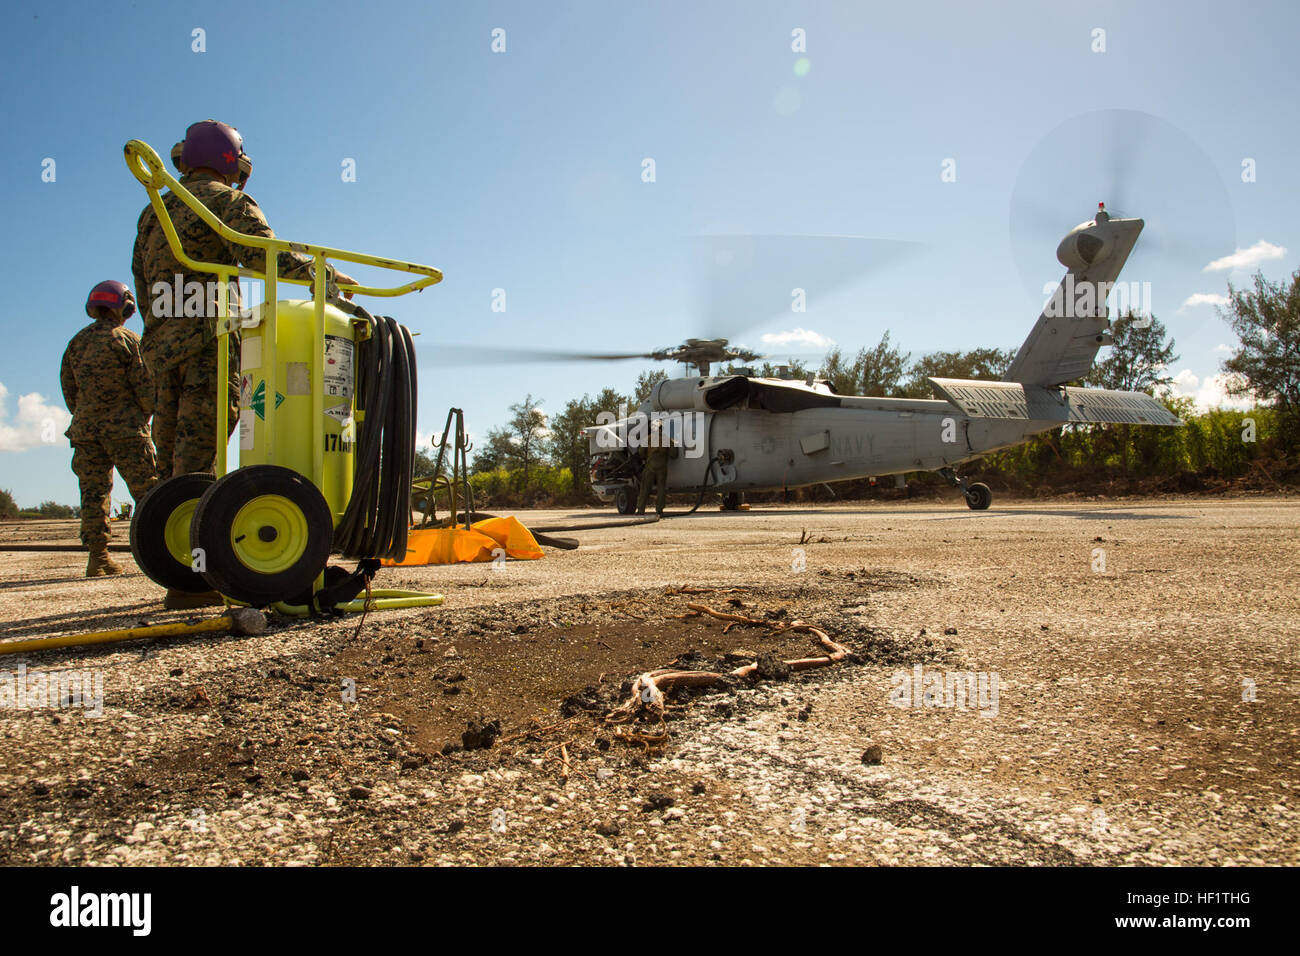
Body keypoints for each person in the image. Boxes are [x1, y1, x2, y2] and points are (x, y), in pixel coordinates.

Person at [132, 120, 356, 608]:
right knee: (203, 449)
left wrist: (162, 330)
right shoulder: (228, 202)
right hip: (208, 339)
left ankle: (178, 566)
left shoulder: (155, 211)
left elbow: (142, 277)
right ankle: (196, 583)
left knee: (173, 456)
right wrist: (330, 275)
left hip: (162, 343)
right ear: (233, 161)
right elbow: (264, 256)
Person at [60, 281, 159, 576]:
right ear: (124, 305)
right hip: (126, 429)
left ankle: (98, 558)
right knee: (149, 492)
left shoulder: (76, 343)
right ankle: (161, 554)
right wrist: (144, 413)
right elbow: (146, 387)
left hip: (86, 431)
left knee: (93, 493)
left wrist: (86, 414)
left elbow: (68, 389)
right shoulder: (127, 339)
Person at [635, 419, 677, 516]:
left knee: (645, 487)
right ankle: (659, 510)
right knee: (661, 488)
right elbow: (674, 454)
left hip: (650, 465)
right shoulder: (667, 439)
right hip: (662, 467)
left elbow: (641, 453)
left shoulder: (648, 438)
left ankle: (641, 510)